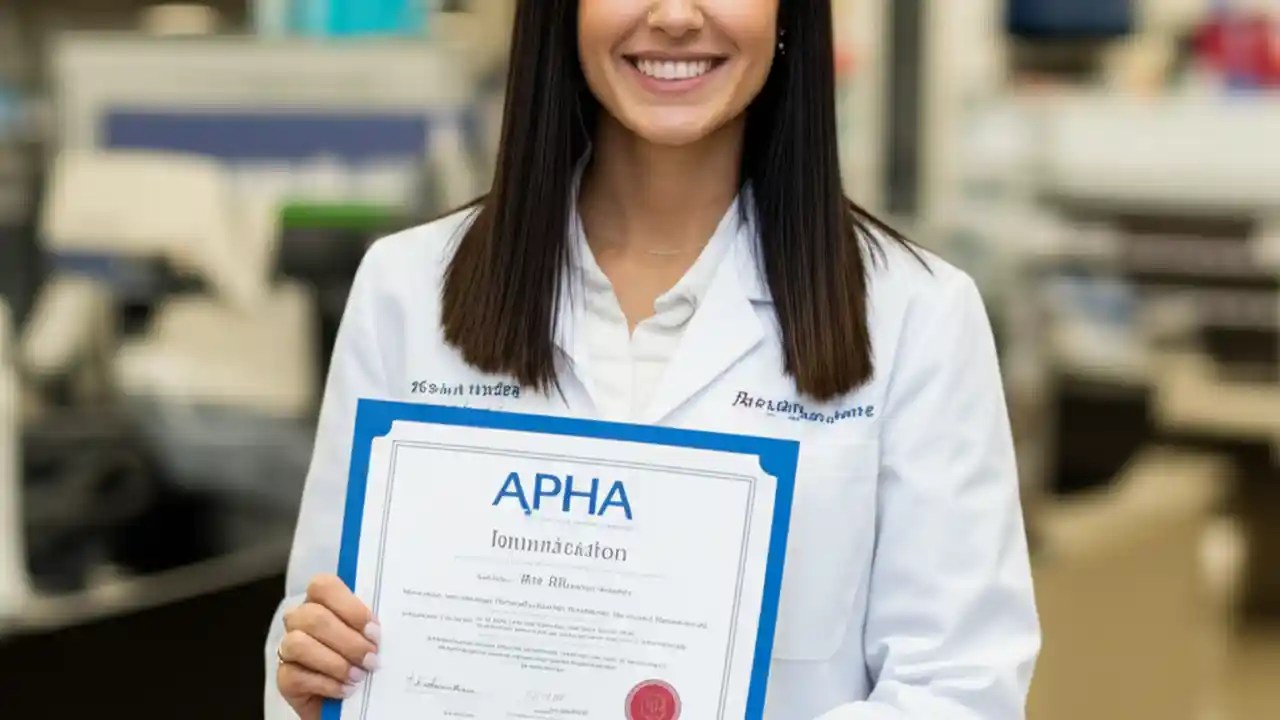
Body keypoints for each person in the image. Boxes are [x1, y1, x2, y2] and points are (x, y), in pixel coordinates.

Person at [264, 1, 1041, 718]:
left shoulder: (918, 317)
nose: (674, 15)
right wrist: (314, 684)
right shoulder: (407, 289)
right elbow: (319, 628)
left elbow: (959, 690)